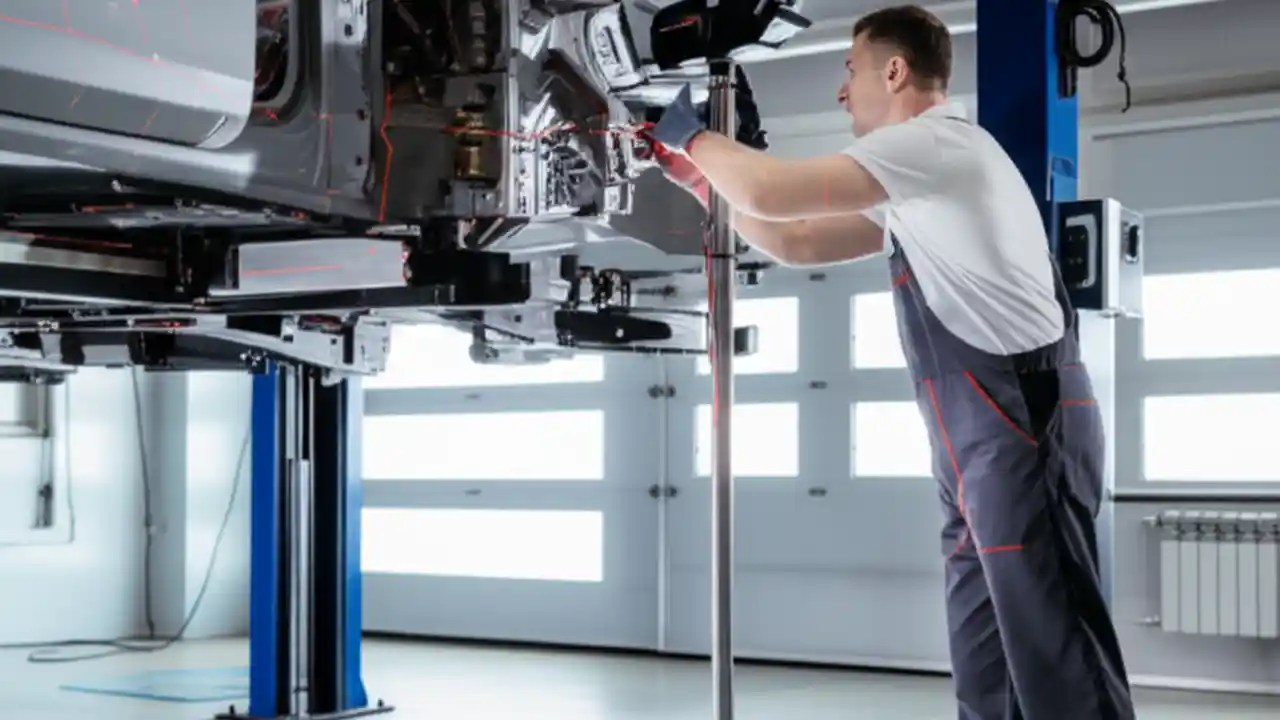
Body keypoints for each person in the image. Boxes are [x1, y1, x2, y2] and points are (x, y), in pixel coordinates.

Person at [647, 5, 1136, 720]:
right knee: (986, 660)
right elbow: (799, 240)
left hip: (1024, 429)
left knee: (1055, 653)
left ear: (895, 71)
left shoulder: (934, 146)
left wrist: (691, 134)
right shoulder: (917, 177)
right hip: (975, 440)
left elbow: (770, 191)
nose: (842, 91)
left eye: (850, 70)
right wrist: (698, 177)